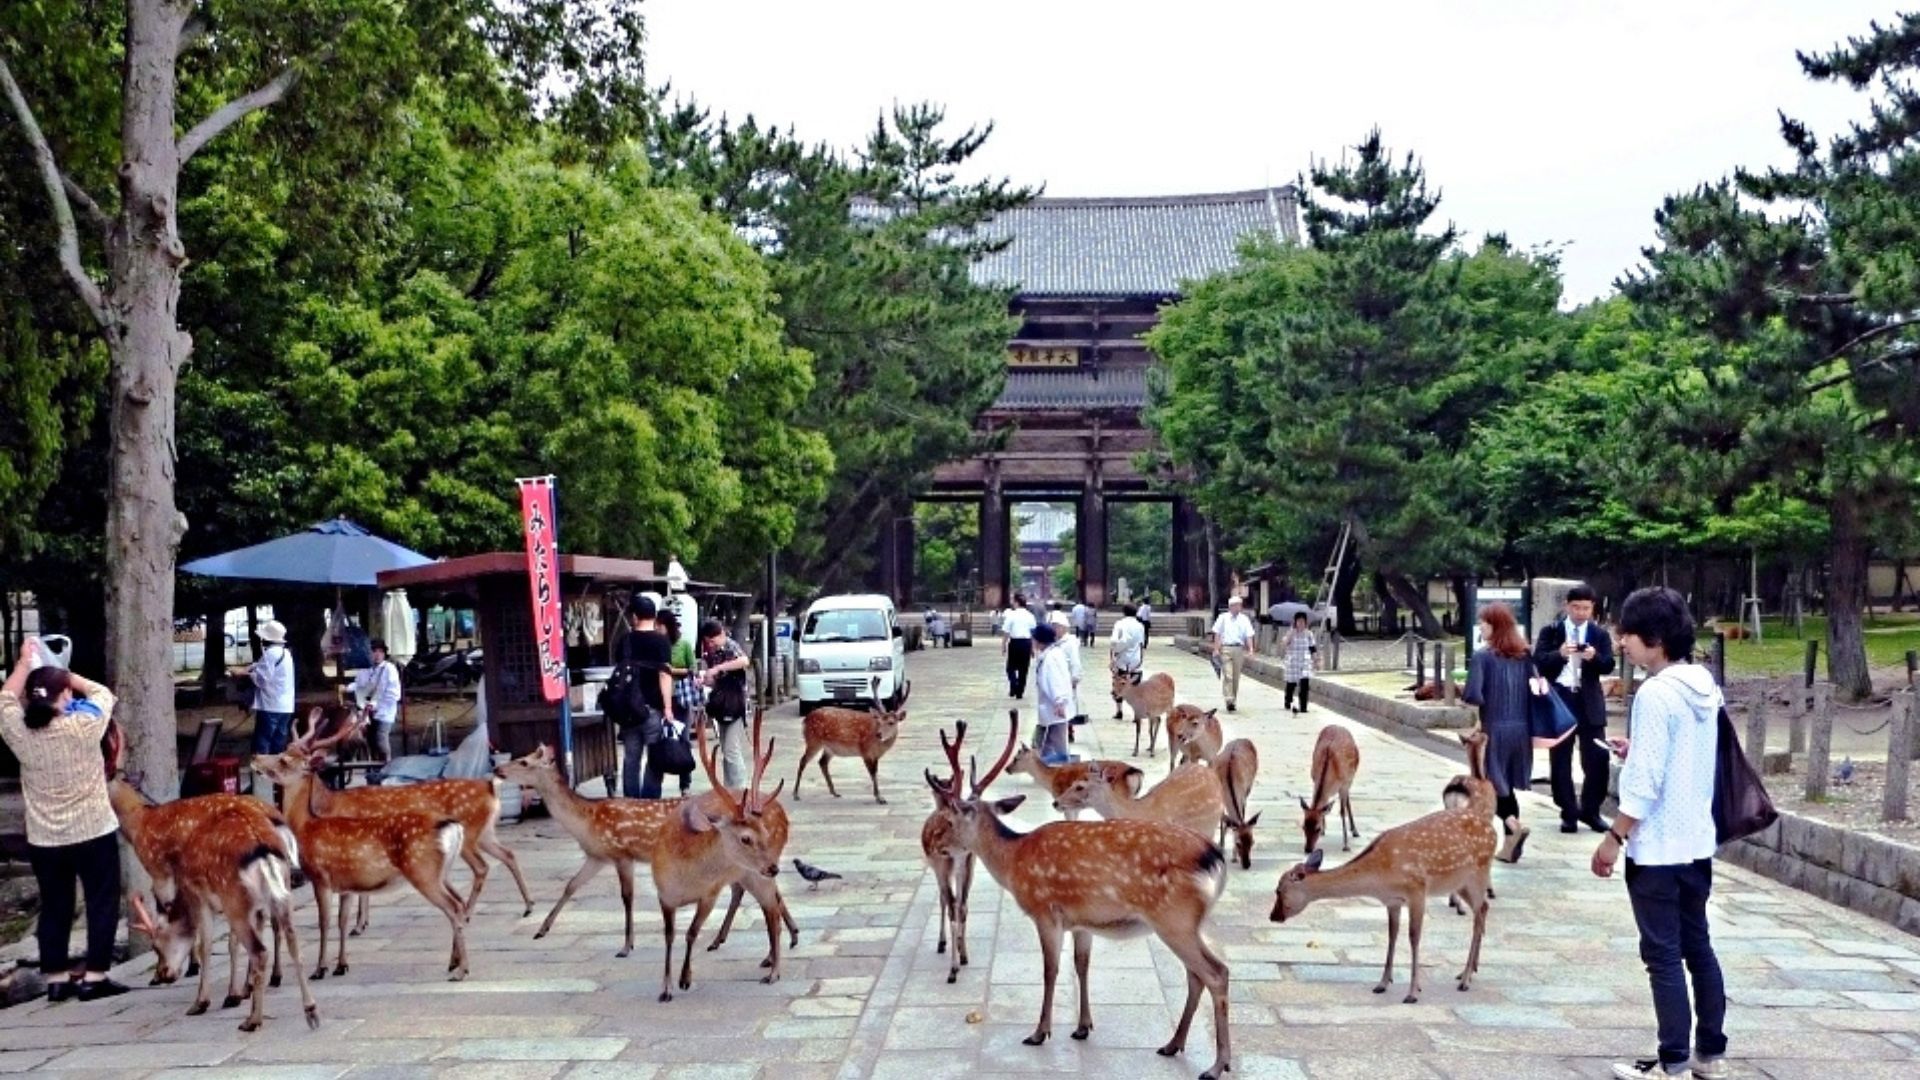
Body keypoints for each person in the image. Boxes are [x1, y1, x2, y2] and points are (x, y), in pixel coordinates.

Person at [1593, 587, 1728, 1080]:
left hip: (1657, 848)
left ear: (1653, 638)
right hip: (1696, 842)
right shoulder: (1706, 688)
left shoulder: (1654, 694)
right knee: (1699, 947)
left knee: (1663, 955)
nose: (1622, 642)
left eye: (1627, 633)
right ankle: (1709, 1055)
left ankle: (1672, 1060)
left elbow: (1647, 783)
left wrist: (1614, 837)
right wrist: (1637, 750)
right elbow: (1683, 759)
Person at [0, 639, 129, 1001]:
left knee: (55, 906)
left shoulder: (20, 734)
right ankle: (95, 976)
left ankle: (55, 978)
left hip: (45, 838)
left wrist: (25, 665)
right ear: (63, 695)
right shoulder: (84, 726)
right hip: (93, 830)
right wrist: (67, 675)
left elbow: (5, 699)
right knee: (101, 901)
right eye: (66, 693)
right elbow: (102, 692)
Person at [1535, 584, 1617, 834]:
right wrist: (1559, 654)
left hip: (1589, 699)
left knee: (1598, 758)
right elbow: (1538, 662)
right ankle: (1568, 811)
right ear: (1567, 607)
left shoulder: (1599, 634)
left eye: (1586, 608)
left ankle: (1591, 810)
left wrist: (1594, 657)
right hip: (1561, 698)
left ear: (1593, 608)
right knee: (1560, 758)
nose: (1581, 612)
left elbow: (1608, 665)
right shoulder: (1552, 631)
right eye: (1576, 607)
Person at [1461, 602, 1535, 864]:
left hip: (1495, 728)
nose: (1481, 626)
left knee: (1493, 785)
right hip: (1522, 730)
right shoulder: (1524, 654)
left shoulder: (1483, 656)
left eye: (1484, 622)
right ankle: (1508, 844)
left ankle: (1512, 825)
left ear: (1496, 626)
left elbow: (1473, 694)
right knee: (1506, 786)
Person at [613, 597, 675, 798]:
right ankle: (650, 801)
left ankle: (631, 802)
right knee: (654, 758)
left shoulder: (625, 641)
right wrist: (668, 707)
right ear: (654, 617)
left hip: (629, 710)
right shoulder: (662, 641)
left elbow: (619, 670)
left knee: (631, 758)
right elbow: (665, 674)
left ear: (634, 617)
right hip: (653, 709)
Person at [697, 619, 753, 788]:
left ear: (721, 634)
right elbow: (717, 680)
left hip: (736, 704)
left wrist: (719, 668)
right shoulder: (713, 653)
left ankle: (740, 789)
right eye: (708, 642)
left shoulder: (730, 645)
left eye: (713, 641)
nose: (711, 645)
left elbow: (744, 661)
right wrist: (704, 680)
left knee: (731, 749)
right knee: (726, 749)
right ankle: (730, 787)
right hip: (721, 704)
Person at [661, 610, 698, 796]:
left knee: (682, 738)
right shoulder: (658, 644)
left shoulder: (684, 645)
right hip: (661, 696)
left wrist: (672, 670)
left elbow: (693, 669)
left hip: (680, 697)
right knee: (661, 739)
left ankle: (685, 783)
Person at [351, 638, 402, 767]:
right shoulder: (367, 670)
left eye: (380, 651)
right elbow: (360, 686)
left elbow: (394, 694)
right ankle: (373, 770)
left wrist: (376, 705)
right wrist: (346, 688)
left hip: (384, 713)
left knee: (381, 739)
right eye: (374, 651)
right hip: (368, 713)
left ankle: (387, 766)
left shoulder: (389, 669)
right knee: (370, 741)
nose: (377, 654)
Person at [248, 619, 295, 756]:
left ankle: (262, 774)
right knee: (279, 744)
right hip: (285, 706)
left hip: (270, 705)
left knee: (263, 741)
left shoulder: (270, 654)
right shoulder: (286, 653)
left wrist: (249, 675)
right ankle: (276, 773)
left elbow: (262, 680)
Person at [1031, 624, 1074, 764]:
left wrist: (1059, 701)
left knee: (1057, 744)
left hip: (1055, 708)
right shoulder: (1052, 654)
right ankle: (1045, 770)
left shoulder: (1051, 658)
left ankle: (1063, 772)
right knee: (1047, 741)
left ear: (1039, 641)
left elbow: (1056, 680)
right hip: (1050, 707)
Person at [1209, 596, 1256, 713]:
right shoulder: (1223, 618)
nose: (1238, 607)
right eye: (1236, 605)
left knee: (1236, 677)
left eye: (1240, 605)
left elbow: (1248, 635)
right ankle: (1228, 699)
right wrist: (1216, 649)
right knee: (1228, 675)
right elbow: (1218, 634)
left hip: (1239, 649)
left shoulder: (1244, 619)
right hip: (1226, 648)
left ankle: (1233, 699)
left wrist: (1251, 649)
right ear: (1230, 606)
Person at [1108, 602, 1146, 719]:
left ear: (1123, 612)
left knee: (1118, 686)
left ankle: (1119, 711)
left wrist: (1114, 654)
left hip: (1121, 660)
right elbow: (1141, 644)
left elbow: (1114, 641)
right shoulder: (1140, 626)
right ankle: (1136, 714)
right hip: (1136, 661)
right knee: (1136, 688)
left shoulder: (1119, 624)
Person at [1001, 592, 1038, 700]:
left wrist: (1003, 645)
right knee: (1023, 669)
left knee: (1010, 668)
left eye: (1013, 600)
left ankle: (1014, 684)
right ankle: (1019, 692)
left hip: (1015, 643)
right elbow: (1033, 634)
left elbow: (1006, 632)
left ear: (1016, 602)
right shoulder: (1030, 616)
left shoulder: (1012, 615)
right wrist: (1032, 648)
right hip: (1026, 643)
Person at [1280, 612, 1318, 714]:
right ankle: (1288, 699)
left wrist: (1316, 660)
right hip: (1293, 661)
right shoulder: (1291, 633)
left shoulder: (1309, 634)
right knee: (1291, 683)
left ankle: (1303, 706)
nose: (1300, 623)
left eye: (1302, 621)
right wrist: (1289, 636)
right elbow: (1284, 644)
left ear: (1306, 622)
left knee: (1304, 683)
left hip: (1305, 661)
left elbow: (1312, 648)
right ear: (1295, 622)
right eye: (1299, 621)